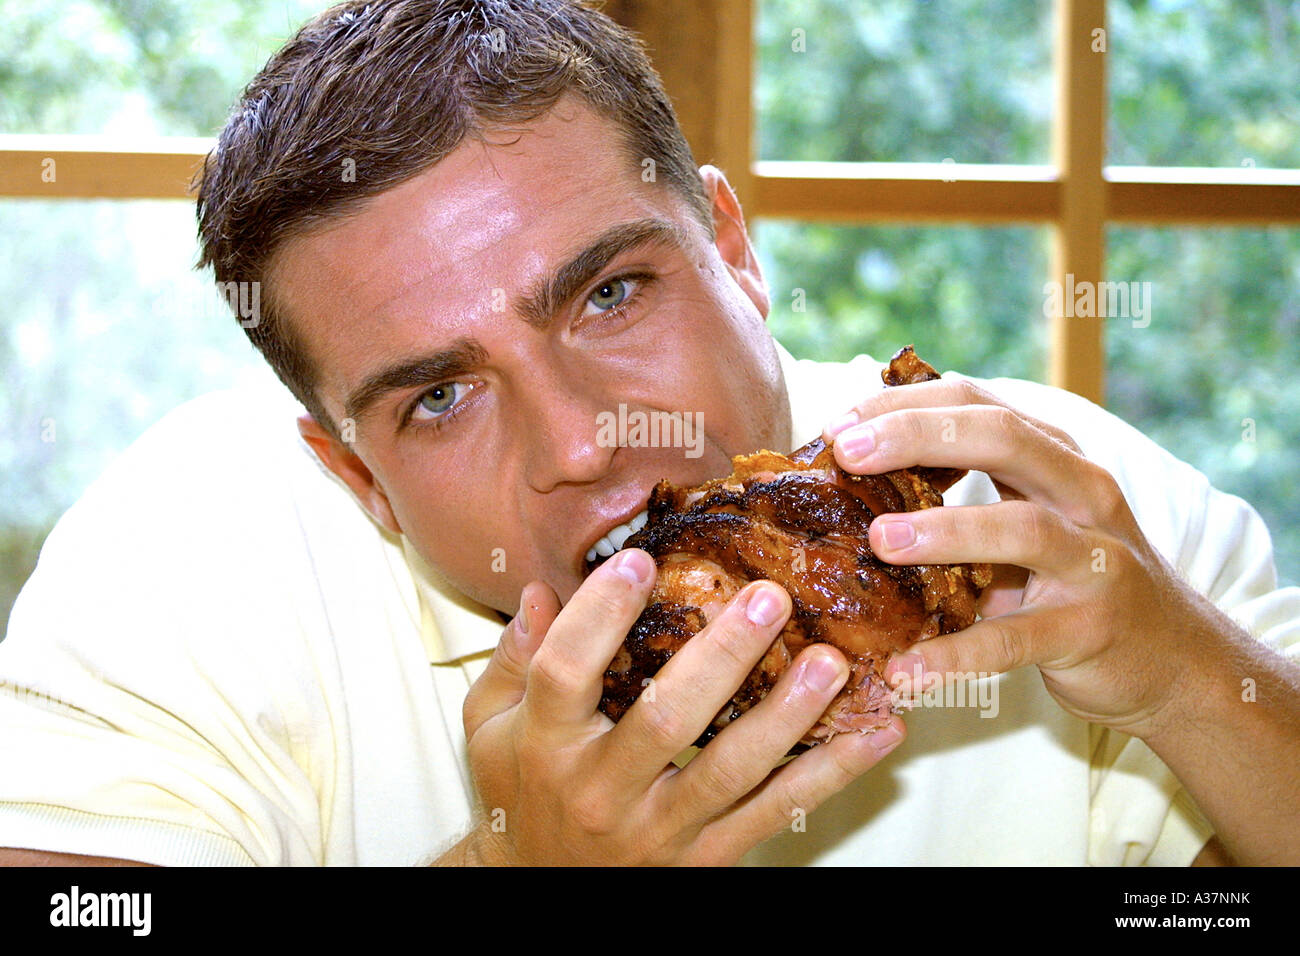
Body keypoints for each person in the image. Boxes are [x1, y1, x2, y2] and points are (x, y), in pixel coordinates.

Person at [1, 0, 1297, 867]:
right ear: (357, 477)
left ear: (732, 250)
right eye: (438, 397)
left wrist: (1185, 676)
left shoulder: (1068, 512)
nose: (580, 443)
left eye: (610, 295)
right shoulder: (184, 567)